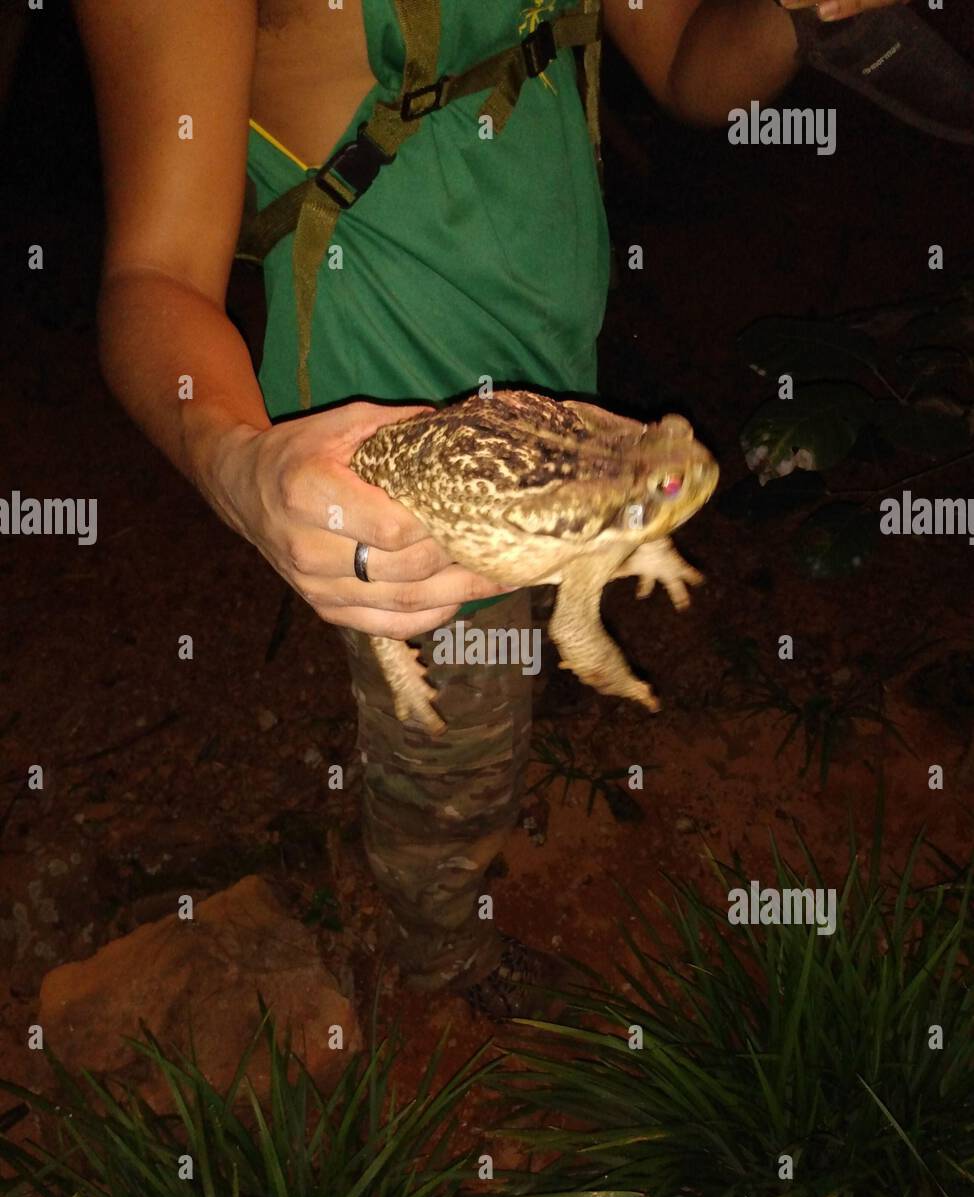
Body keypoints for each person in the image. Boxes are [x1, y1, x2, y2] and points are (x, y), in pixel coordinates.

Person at [72, 0, 906, 1018]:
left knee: (514, 661)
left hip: (553, 400)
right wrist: (236, 462)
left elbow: (691, 63)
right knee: (456, 750)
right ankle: (438, 948)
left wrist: (800, 13)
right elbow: (152, 275)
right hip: (397, 435)